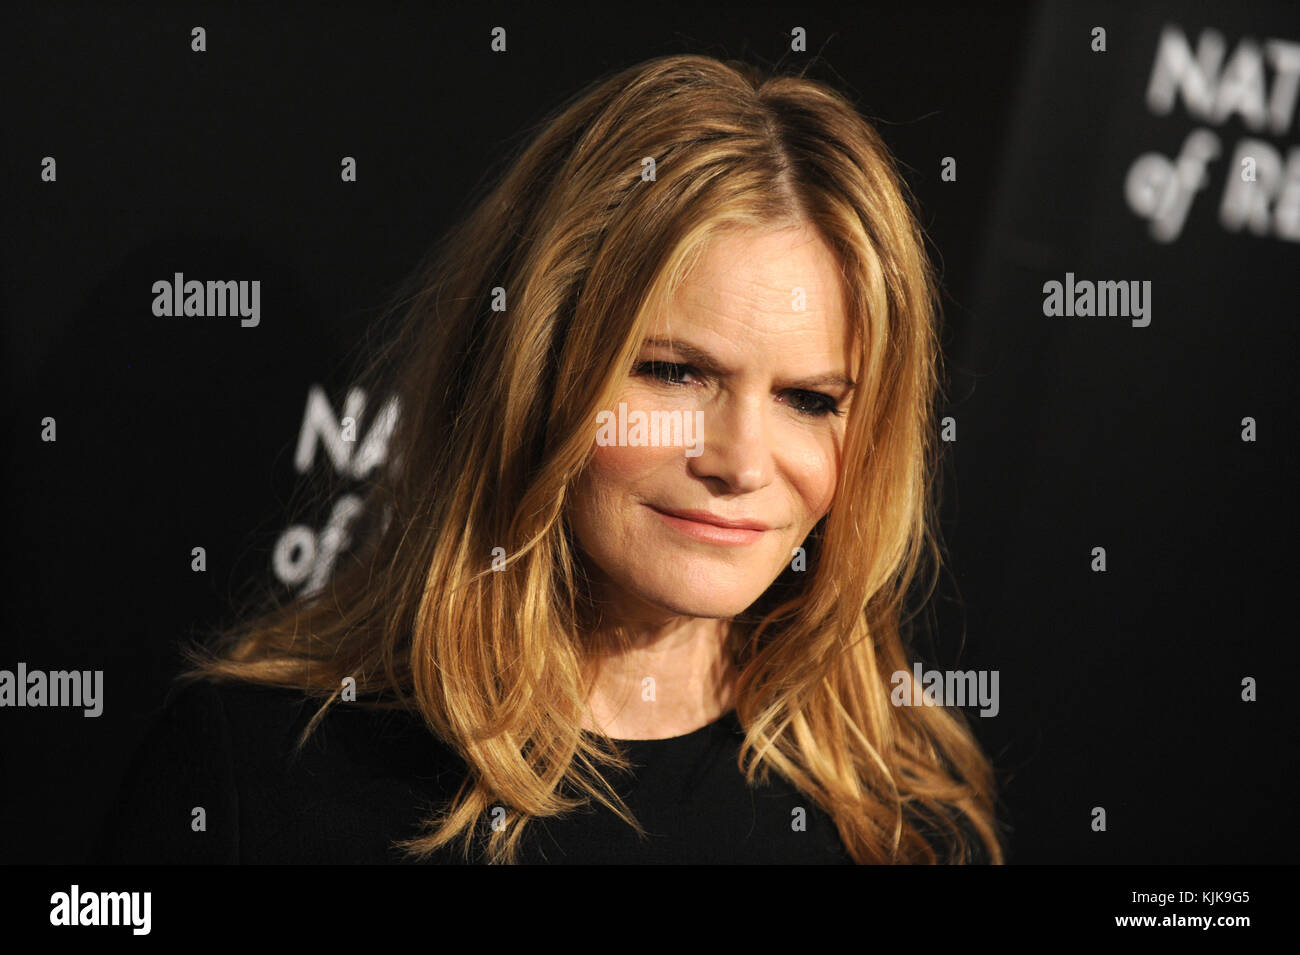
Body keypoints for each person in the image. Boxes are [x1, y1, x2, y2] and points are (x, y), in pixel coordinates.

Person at [95, 53, 1005, 865]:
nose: (740, 460)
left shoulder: (901, 818)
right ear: (534, 370)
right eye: (673, 373)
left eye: (810, 399)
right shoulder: (255, 776)